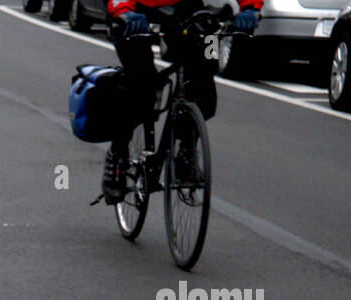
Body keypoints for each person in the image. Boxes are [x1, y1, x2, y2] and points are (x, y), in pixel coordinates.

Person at [101, 0, 261, 204]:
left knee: (205, 80)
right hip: (133, 11)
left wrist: (251, 8)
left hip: (187, 10)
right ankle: (117, 156)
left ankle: (186, 153)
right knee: (140, 87)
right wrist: (123, 11)